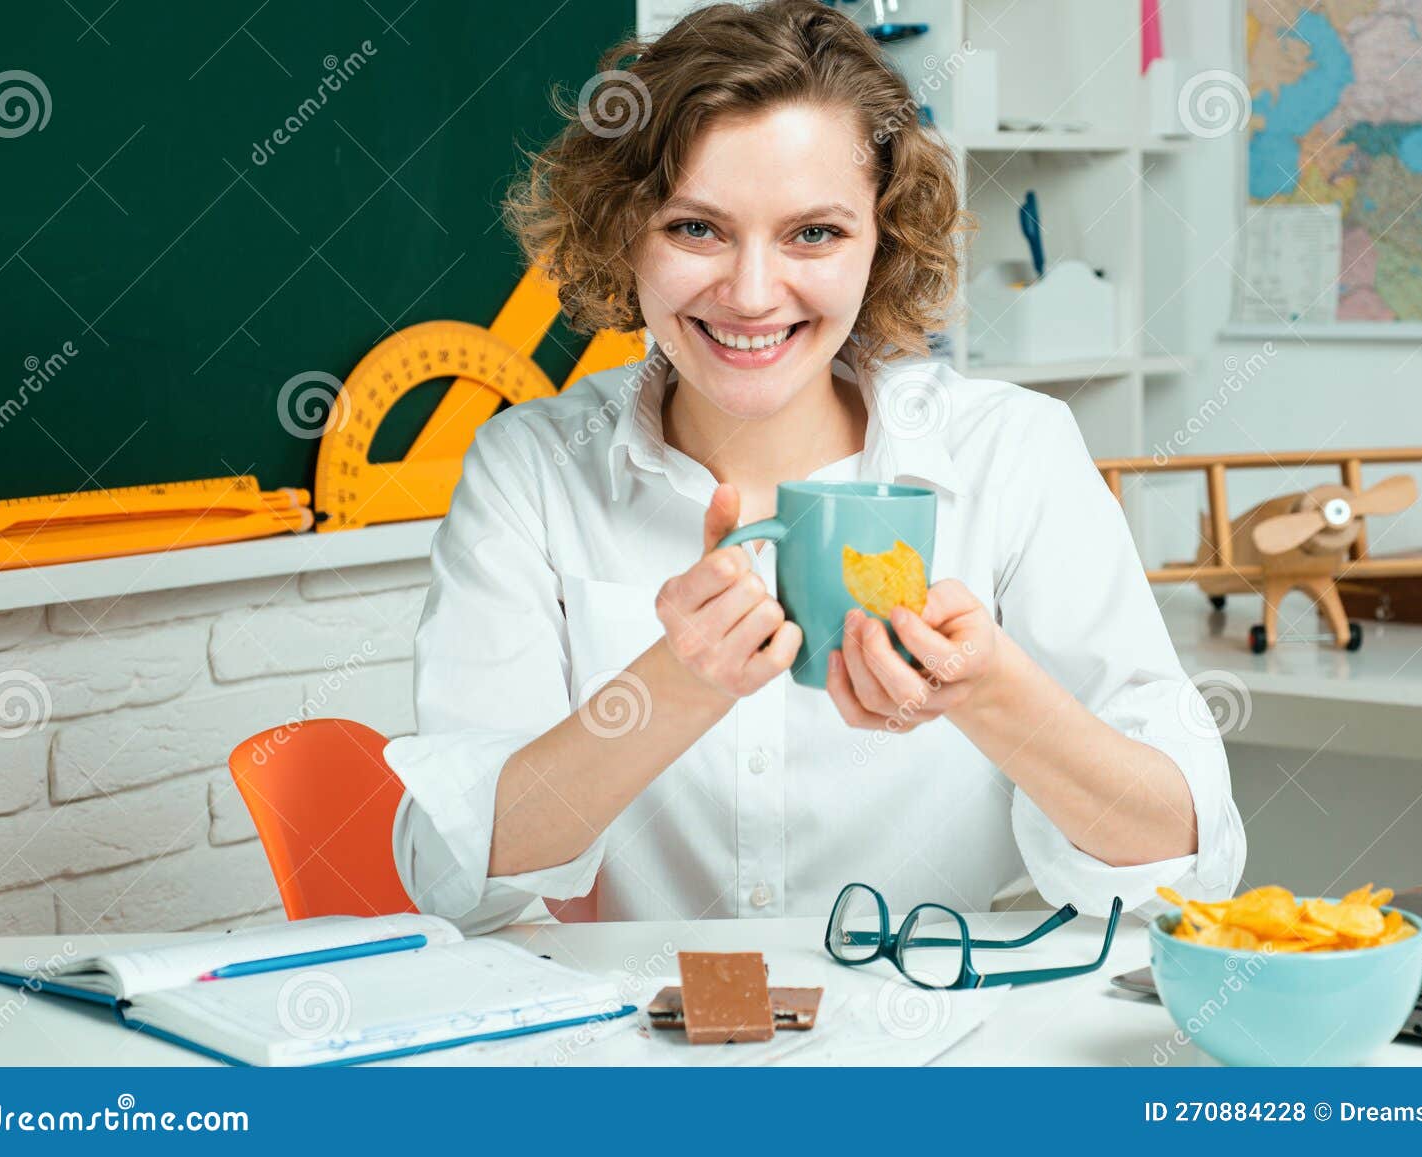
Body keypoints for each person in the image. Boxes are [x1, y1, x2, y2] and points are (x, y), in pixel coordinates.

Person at [385, 0, 1245, 933]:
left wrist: (994, 694)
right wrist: (676, 682)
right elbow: (461, 875)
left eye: (814, 234)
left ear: (882, 243)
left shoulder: (1013, 452)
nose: (752, 294)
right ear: (623, 232)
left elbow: (1184, 863)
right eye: (696, 229)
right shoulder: (533, 470)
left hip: (938, 1041)